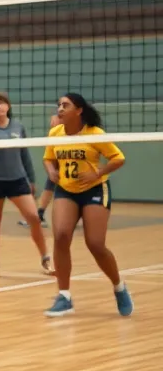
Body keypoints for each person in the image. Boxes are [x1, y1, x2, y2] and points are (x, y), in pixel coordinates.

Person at [42, 93, 130, 318]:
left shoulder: (95, 134)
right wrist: (51, 170)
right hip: (66, 189)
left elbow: (118, 158)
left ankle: (119, 287)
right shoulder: (55, 133)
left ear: (79, 110)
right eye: (59, 105)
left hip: (95, 189)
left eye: (65, 105)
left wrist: (98, 173)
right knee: (61, 235)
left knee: (95, 244)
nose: (60, 109)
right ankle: (64, 296)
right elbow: (48, 158)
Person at [0, 93, 53, 277]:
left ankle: (46, 259)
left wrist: (31, 180)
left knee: (33, 217)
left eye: (1, 102)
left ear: (8, 106)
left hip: (17, 181)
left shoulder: (18, 127)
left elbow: (25, 155)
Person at [20, 113, 61, 229]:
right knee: (51, 182)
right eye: (51, 123)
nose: (52, 124)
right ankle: (39, 214)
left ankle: (39, 214)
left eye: (54, 122)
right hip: (58, 160)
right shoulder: (55, 135)